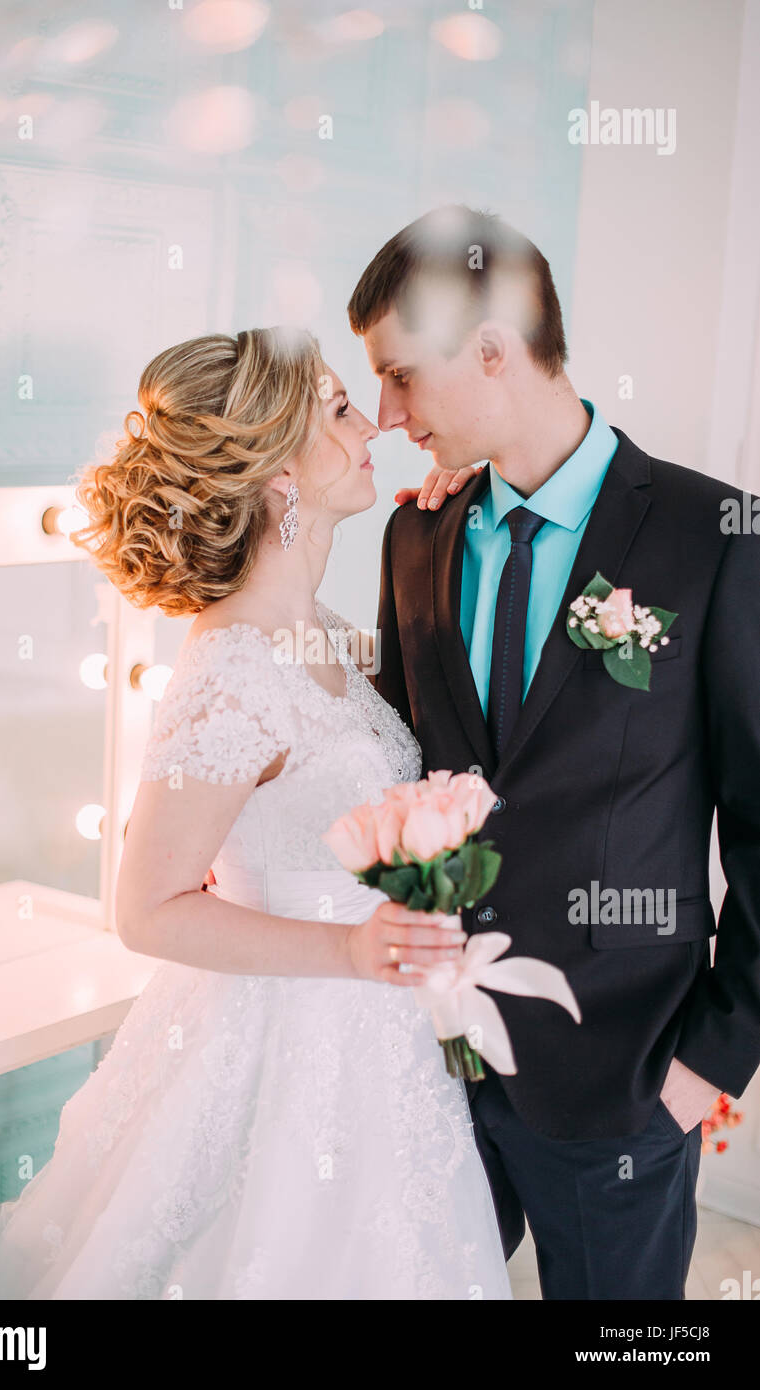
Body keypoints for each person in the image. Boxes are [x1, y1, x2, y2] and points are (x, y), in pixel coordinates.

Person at [0, 326, 512, 1301]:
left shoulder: (318, 634)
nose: (374, 427)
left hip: (380, 1048)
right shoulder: (229, 672)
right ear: (277, 475)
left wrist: (458, 517)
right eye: (340, 410)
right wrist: (348, 953)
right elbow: (146, 908)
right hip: (282, 1044)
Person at [349, 204, 760, 1300]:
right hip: (435, 1067)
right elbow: (395, 766)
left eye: (399, 377)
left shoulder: (712, 536)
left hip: (624, 1082)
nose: (386, 414)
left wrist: (709, 1065)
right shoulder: (415, 534)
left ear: (489, 350)